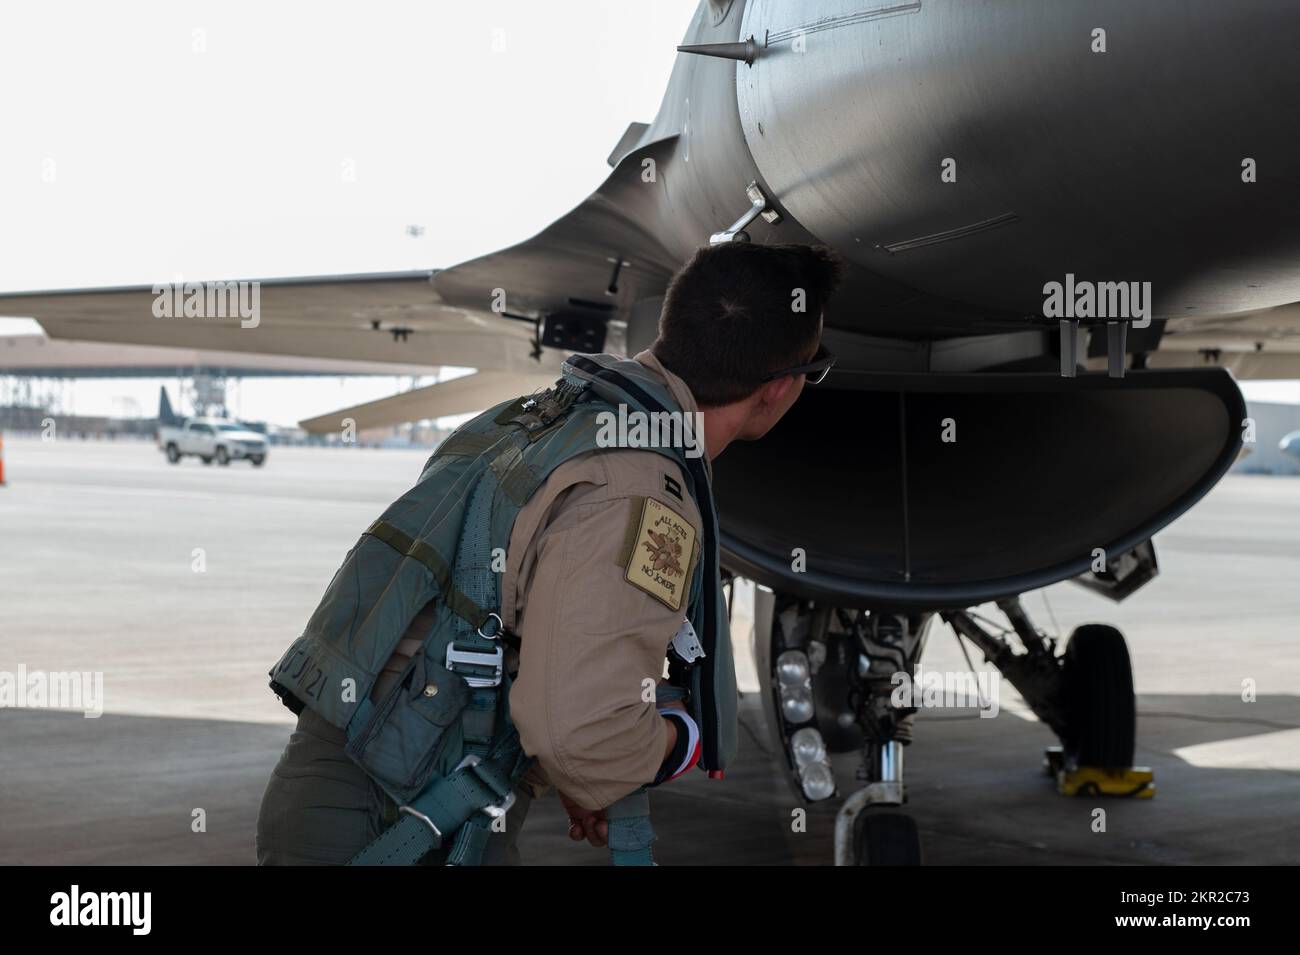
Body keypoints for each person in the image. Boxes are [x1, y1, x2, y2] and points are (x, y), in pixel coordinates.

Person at [256, 242, 844, 864]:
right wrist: (679, 740)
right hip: (400, 826)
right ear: (779, 389)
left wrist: (567, 758)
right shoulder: (636, 487)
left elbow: (486, 620)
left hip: (346, 795)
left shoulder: (525, 421)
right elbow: (586, 735)